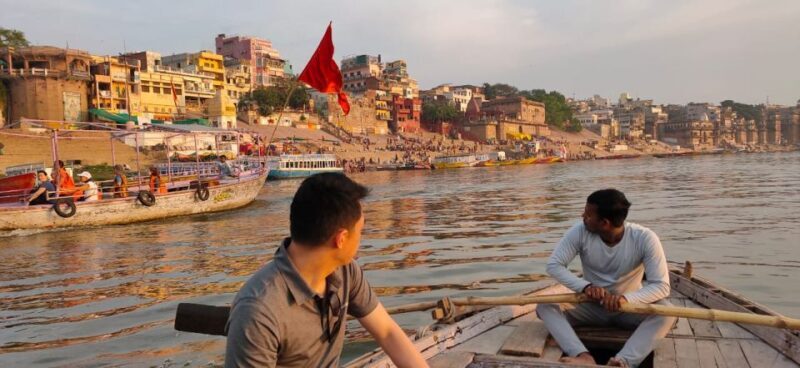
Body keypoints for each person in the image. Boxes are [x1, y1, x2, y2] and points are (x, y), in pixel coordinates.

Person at [225, 173, 428, 368]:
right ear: (341, 239)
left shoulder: (345, 271)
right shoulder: (258, 311)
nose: (361, 239)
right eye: (361, 231)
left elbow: (387, 332)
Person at [536, 189, 675, 368]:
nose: (582, 217)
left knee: (667, 312)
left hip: (629, 309)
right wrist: (586, 287)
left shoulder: (645, 238)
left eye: (588, 215)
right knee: (545, 306)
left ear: (604, 223)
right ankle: (582, 355)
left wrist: (624, 299)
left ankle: (622, 361)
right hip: (591, 306)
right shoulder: (579, 231)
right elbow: (554, 265)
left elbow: (662, 286)